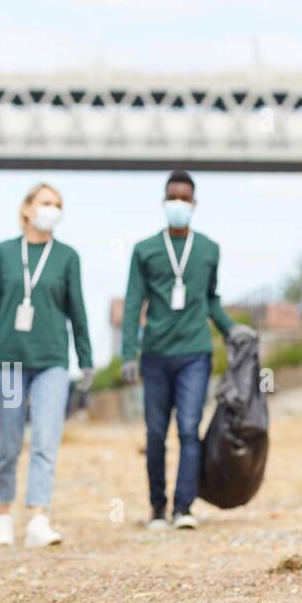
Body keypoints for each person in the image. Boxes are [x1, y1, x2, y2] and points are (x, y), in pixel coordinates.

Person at [120, 170, 251, 530]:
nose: (177, 204)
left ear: (194, 204)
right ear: (164, 202)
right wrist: (128, 353)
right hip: (156, 355)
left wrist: (232, 328)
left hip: (195, 353)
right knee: (155, 434)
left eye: (184, 198)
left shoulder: (209, 249)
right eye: (172, 198)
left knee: (190, 430)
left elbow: (211, 300)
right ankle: (158, 508)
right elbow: (133, 303)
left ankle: (184, 508)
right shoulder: (144, 250)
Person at [0, 182, 93, 548]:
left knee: (45, 440)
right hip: (7, 361)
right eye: (45, 203)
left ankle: (38, 517)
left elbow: (78, 312)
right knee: (6, 443)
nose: (51, 209)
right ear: (26, 209)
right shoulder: (3, 253)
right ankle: (3, 515)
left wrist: (85, 360)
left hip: (52, 361)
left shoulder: (67, 257)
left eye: (57, 204)